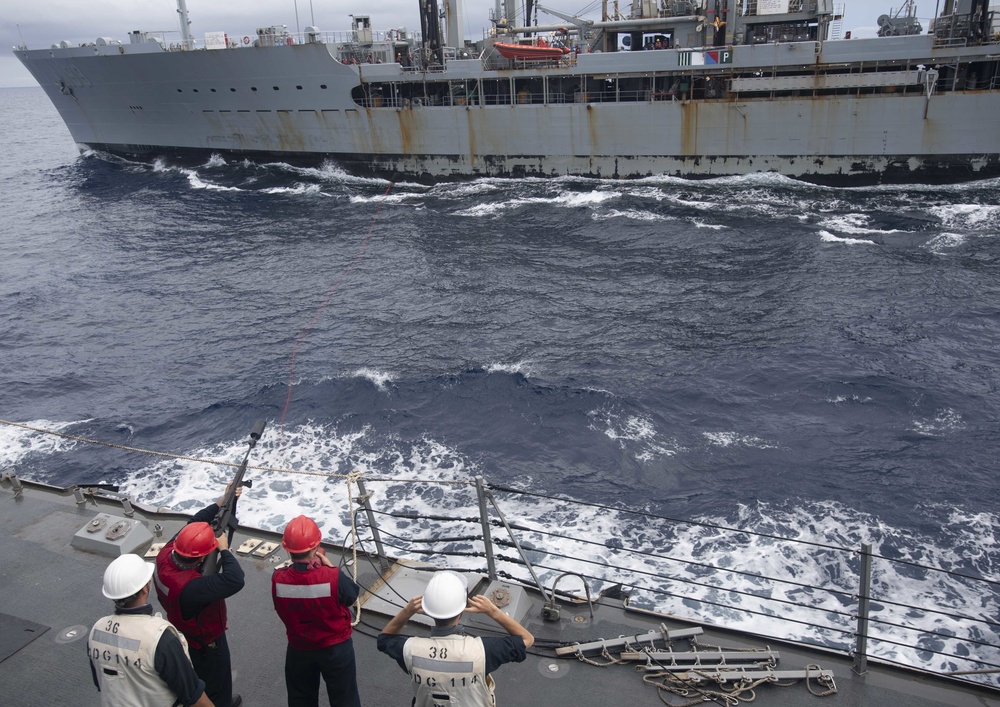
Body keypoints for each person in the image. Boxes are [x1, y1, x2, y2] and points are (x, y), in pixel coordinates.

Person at [378, 571, 535, 706]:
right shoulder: (483, 651)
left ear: (427, 610)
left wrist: (407, 610)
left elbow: (384, 639)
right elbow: (527, 639)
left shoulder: (410, 649)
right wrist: (493, 611)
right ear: (462, 610)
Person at [155, 487, 246, 707]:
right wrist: (224, 550)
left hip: (181, 631)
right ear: (202, 557)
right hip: (206, 641)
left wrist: (220, 503)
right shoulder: (192, 588)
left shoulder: (165, 554)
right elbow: (236, 579)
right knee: (218, 680)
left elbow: (195, 522)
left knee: (196, 674)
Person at [89, 553, 212, 707]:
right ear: (146, 588)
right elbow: (193, 696)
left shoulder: (97, 630)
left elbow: (102, 683)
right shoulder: (159, 638)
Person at [272, 515, 362, 707]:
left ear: (287, 549)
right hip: (335, 649)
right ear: (315, 548)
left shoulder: (278, 579)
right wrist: (329, 567)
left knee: (300, 699)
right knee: (345, 698)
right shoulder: (331, 576)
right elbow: (352, 596)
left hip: (299, 648)